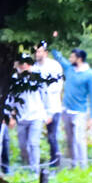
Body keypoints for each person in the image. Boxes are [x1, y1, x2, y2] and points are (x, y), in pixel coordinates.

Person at [51, 45, 92, 168]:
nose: (70, 58)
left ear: (79, 58)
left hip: (80, 112)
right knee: (70, 140)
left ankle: (83, 166)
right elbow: (58, 56)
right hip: (66, 110)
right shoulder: (69, 69)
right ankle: (74, 165)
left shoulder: (90, 74)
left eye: (72, 57)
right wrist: (52, 40)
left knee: (79, 140)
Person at [13, 56, 49, 171]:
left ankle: (35, 169)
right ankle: (27, 165)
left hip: (36, 115)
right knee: (23, 145)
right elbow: (11, 98)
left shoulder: (37, 77)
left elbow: (45, 96)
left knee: (33, 143)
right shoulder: (14, 78)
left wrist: (47, 113)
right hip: (21, 116)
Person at [33, 40, 64, 168]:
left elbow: (57, 86)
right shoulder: (33, 67)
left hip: (53, 107)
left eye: (39, 51)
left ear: (45, 53)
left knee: (52, 136)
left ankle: (55, 163)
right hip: (37, 107)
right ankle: (34, 164)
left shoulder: (54, 66)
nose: (36, 53)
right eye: (35, 51)